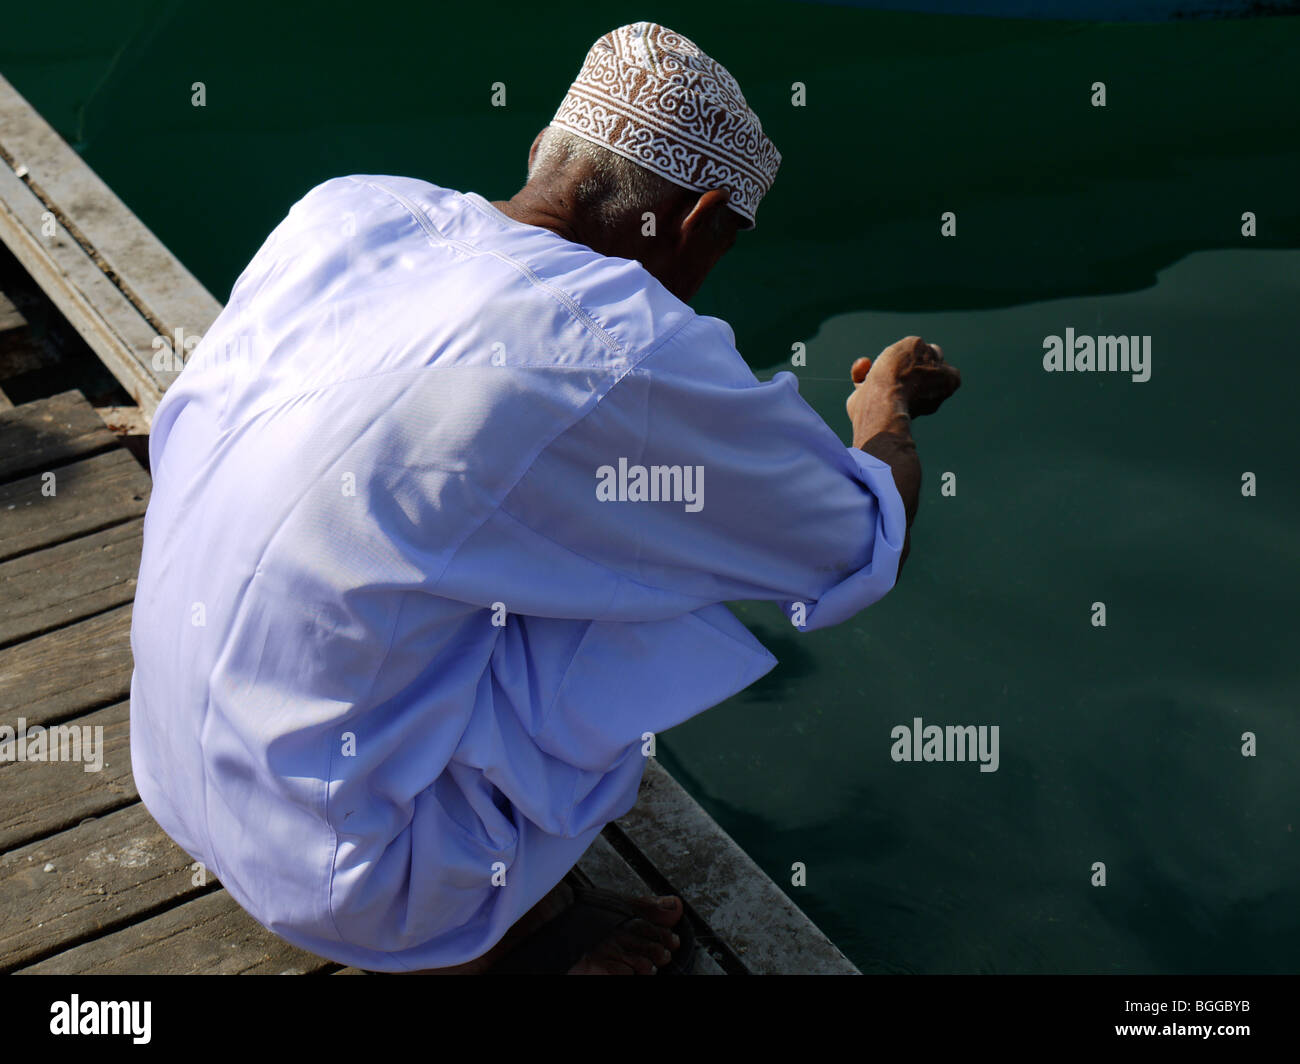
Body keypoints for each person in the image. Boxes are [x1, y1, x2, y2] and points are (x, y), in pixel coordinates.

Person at [129, 21, 960, 975]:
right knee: (678, 569)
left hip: (173, 769)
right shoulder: (625, 340)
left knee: (496, 528)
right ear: (700, 221)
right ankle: (509, 924)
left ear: (542, 151)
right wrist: (882, 411)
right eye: (719, 249)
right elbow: (855, 540)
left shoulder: (347, 210)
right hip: (365, 887)